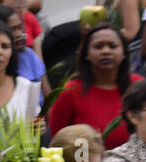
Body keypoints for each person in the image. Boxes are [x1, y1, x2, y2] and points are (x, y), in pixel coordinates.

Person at [47, 23, 140, 151]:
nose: (106, 51)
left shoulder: (139, 86)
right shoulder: (71, 91)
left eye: (113, 46)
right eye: (98, 46)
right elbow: (58, 141)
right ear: (87, 54)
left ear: (124, 52)